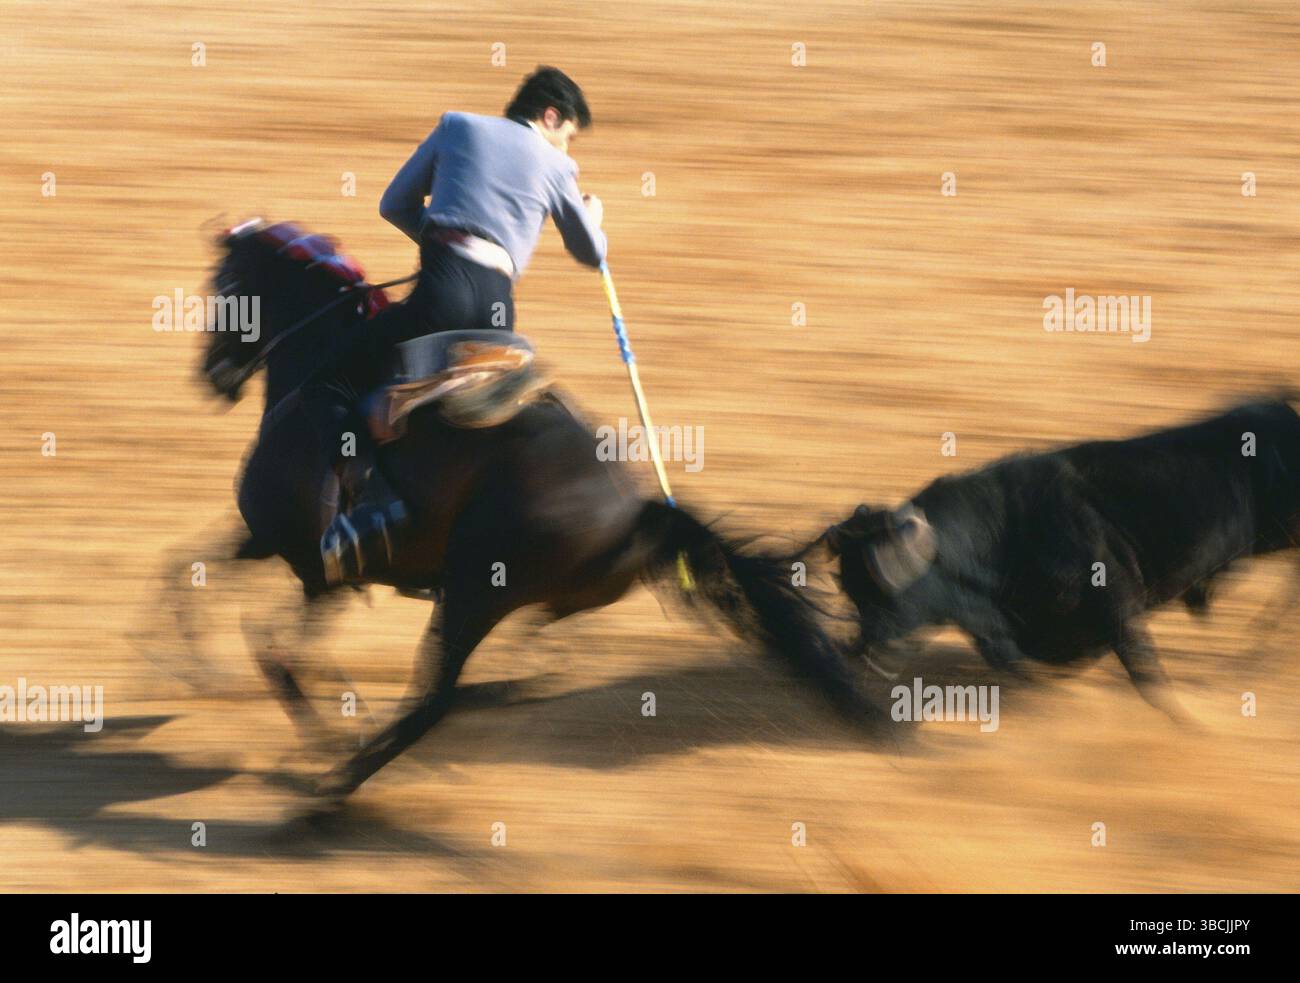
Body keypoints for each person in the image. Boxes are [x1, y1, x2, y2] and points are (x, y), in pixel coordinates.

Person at [319, 66, 608, 585]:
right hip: (497, 308)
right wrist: (594, 214)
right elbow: (590, 253)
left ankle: (371, 508)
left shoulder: (457, 127)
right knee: (466, 399)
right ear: (549, 115)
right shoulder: (557, 166)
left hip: (443, 289)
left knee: (341, 367)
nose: (566, 148)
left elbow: (392, 204)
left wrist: (439, 236)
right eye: (567, 135)